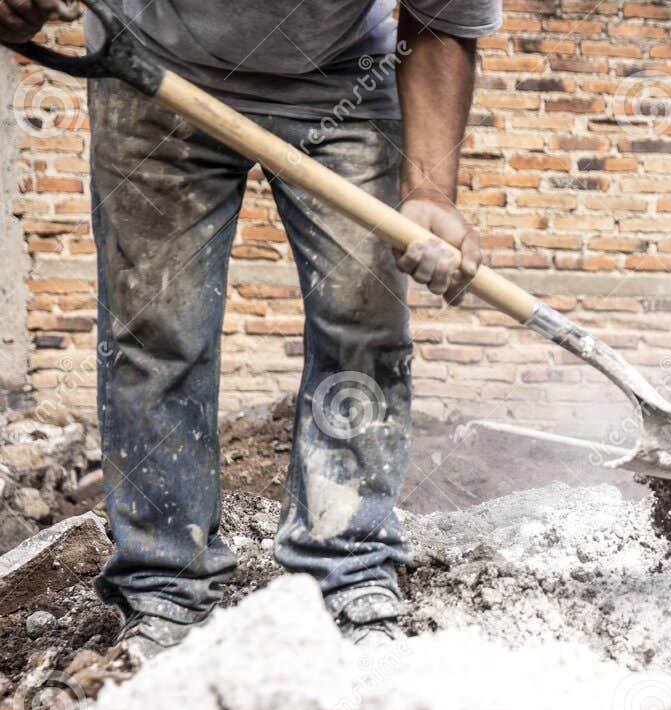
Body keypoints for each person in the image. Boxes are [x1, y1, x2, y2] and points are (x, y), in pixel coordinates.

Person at [0, 0, 501, 655]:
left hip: (343, 76)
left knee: (362, 331)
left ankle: (348, 562)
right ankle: (165, 586)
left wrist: (431, 191)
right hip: (152, 66)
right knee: (155, 333)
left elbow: (443, 19)